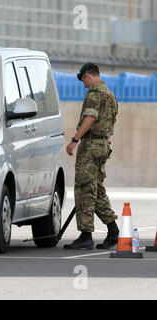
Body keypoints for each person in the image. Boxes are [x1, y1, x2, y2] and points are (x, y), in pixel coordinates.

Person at [64, 63, 119, 250]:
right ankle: (113, 230)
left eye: (83, 80)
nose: (83, 84)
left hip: (91, 146)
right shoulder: (109, 94)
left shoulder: (95, 93)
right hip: (103, 145)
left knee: (84, 189)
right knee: (97, 190)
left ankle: (86, 235)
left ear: (88, 75)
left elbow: (90, 117)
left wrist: (74, 139)